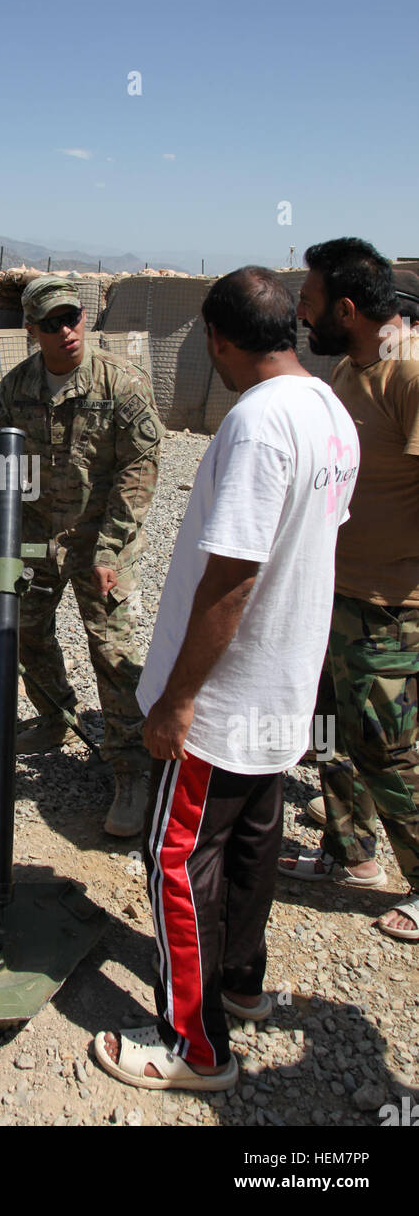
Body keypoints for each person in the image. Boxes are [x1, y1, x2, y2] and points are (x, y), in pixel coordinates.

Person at [93, 267, 358, 1091]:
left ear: (217, 340)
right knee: (252, 845)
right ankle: (240, 983)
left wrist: (177, 699)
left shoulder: (257, 424)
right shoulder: (328, 409)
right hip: (278, 688)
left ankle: (193, 1047)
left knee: (177, 859)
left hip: (224, 698)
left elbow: (235, 576)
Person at [0, 275, 163, 837]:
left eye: (74, 317)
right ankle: (55, 716)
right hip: (36, 538)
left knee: (111, 649)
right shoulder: (15, 389)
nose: (67, 330)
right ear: (32, 330)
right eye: (53, 322)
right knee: (25, 630)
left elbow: (139, 467)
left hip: (101, 541)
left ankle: (131, 768)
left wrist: (110, 546)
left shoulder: (121, 383)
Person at [278, 239, 419, 943]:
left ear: (349, 309)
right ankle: (350, 852)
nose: (301, 315)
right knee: (329, 734)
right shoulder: (346, 369)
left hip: (393, 609)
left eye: (309, 303)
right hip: (337, 596)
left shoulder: (411, 375)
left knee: (389, 752)